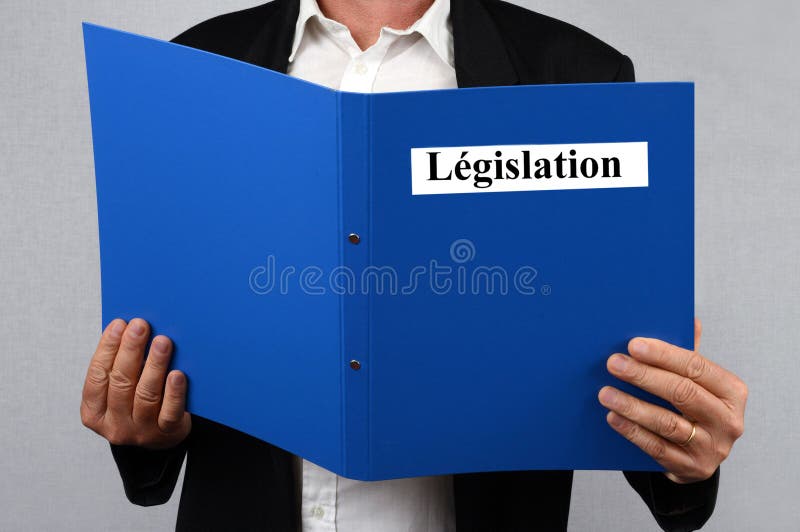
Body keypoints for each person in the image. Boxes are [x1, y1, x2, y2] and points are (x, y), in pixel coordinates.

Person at [80, 1, 748, 530]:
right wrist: (142, 423)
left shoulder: (577, 74)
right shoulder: (197, 64)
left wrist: (682, 453)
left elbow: (607, 364)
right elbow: (176, 341)